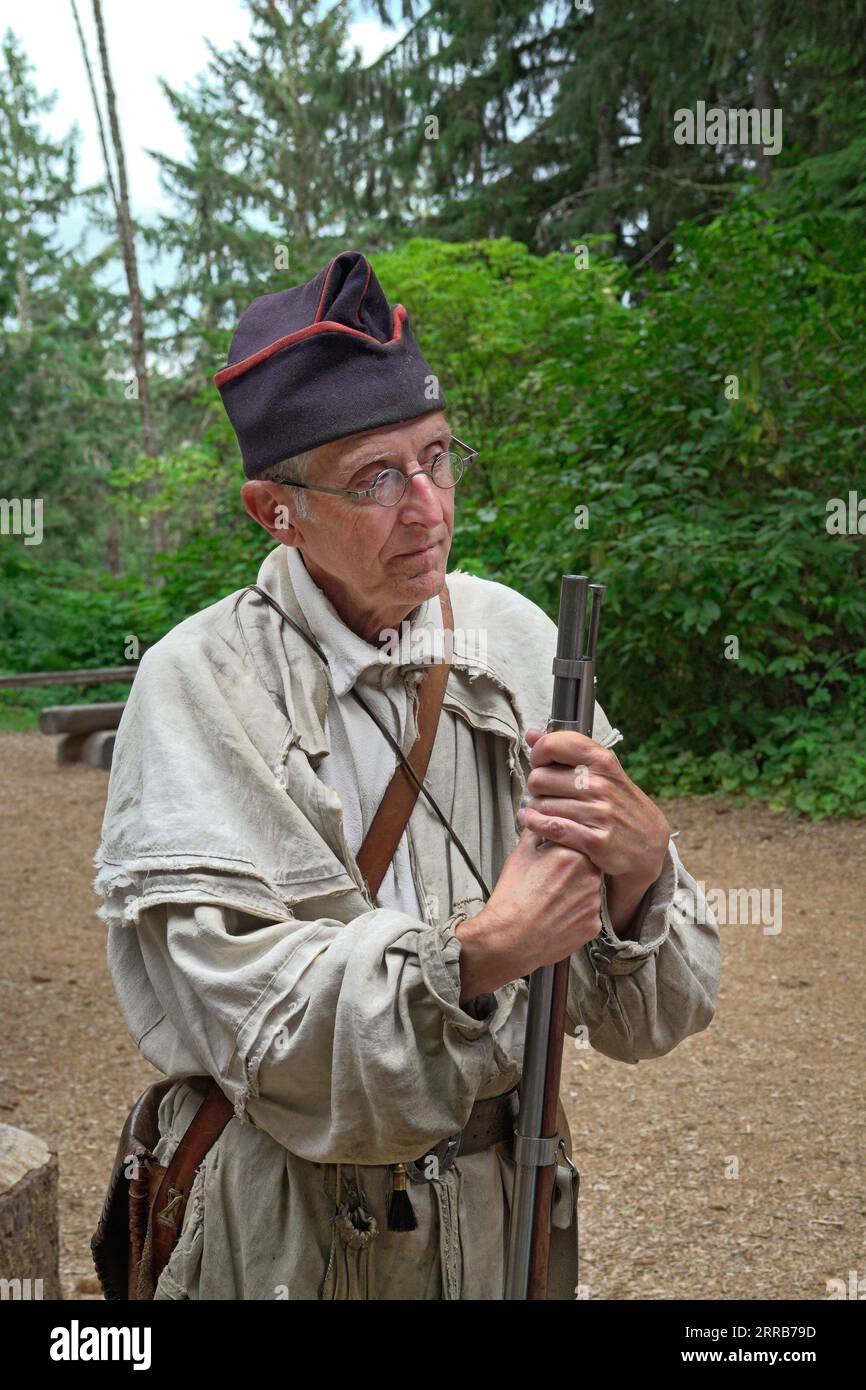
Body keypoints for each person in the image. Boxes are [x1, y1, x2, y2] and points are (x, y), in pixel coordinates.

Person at [93, 249, 720, 1301]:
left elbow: (646, 1019)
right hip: (288, 1236)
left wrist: (638, 869)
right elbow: (264, 1039)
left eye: (435, 457)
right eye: (376, 476)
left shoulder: (516, 643)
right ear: (273, 509)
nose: (426, 509)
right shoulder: (198, 685)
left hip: (502, 1211)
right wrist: (478, 953)